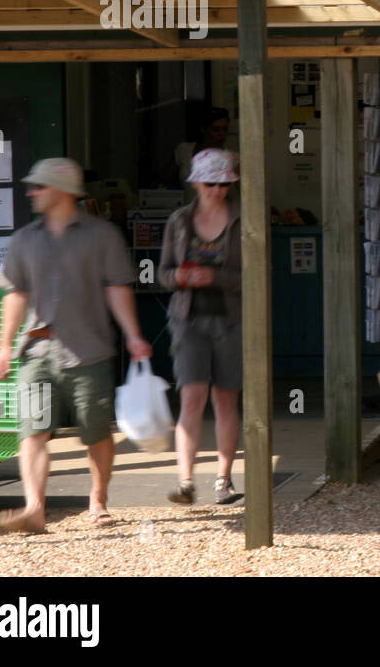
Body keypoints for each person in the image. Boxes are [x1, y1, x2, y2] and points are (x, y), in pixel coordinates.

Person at [0, 158, 153, 533]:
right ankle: (34, 507)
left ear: (63, 192)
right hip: (36, 351)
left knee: (96, 432)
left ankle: (98, 499)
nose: (31, 192)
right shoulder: (23, 239)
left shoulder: (102, 235)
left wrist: (133, 335)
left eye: (39, 186)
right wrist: (4, 346)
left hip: (89, 350)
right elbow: (16, 294)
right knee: (32, 431)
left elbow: (117, 288)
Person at [158, 148, 242, 505]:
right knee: (191, 397)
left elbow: (256, 275)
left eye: (224, 183)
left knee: (226, 399)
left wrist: (214, 277)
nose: (217, 190)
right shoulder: (178, 221)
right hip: (188, 319)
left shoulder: (243, 218)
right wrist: (179, 275)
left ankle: (223, 480)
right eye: (210, 183)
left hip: (232, 318)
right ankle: (186, 481)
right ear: (195, 183)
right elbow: (161, 274)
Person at [173, 107, 232, 193]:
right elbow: (164, 183)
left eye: (225, 129)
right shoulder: (184, 150)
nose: (222, 134)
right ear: (203, 129)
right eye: (216, 130)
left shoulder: (234, 158)